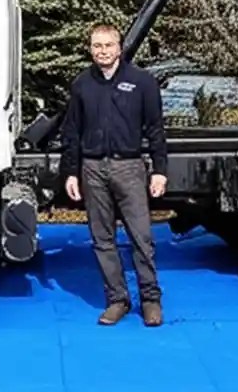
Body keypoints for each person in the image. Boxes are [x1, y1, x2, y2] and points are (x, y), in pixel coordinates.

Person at [60, 22, 168, 326]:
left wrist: (159, 170)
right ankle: (117, 299)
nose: (102, 51)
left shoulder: (142, 82)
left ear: (119, 48)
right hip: (92, 170)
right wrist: (71, 172)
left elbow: (156, 129)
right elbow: (72, 132)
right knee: (102, 239)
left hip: (130, 168)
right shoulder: (82, 84)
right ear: (90, 48)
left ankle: (150, 300)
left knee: (141, 237)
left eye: (108, 45)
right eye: (97, 45)